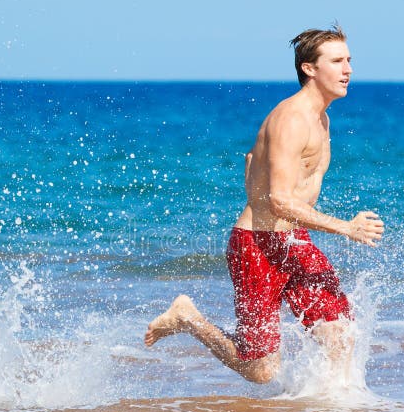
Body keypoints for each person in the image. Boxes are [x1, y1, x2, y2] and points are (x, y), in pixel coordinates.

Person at [144, 25, 384, 384]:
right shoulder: (291, 119)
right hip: (256, 245)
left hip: (293, 241)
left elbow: (255, 163)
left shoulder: (321, 117)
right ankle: (187, 318)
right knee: (260, 371)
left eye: (349, 60)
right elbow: (279, 199)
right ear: (310, 68)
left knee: (340, 333)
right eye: (336, 61)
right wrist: (346, 228)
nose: (348, 69)